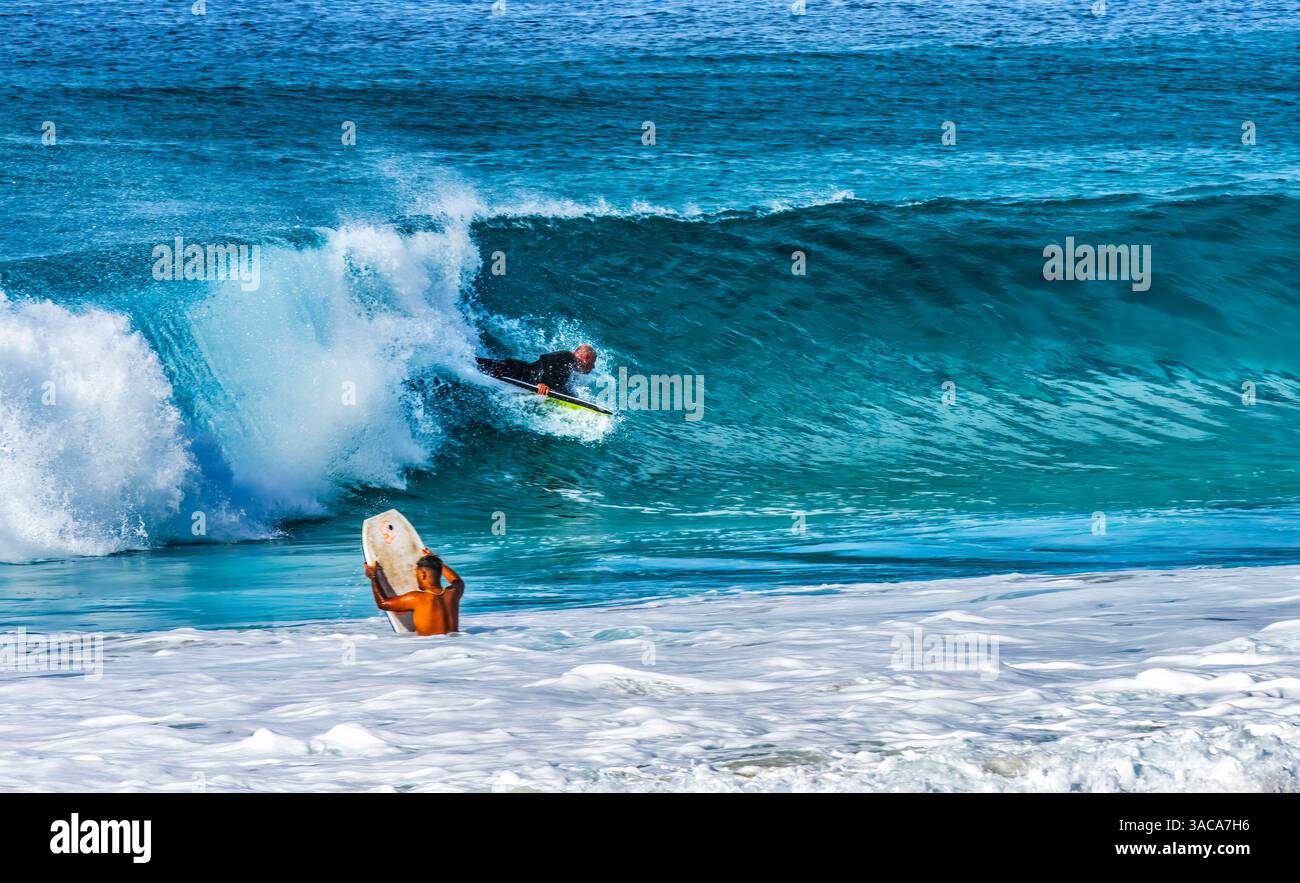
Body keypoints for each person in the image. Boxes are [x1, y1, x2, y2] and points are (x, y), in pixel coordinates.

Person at [364, 549, 464, 636]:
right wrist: (435, 562)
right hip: (454, 647)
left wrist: (373, 578)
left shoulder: (417, 598)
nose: (416, 579)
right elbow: (457, 580)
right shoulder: (454, 593)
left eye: (416, 574)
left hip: (430, 649)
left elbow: (383, 604)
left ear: (423, 574)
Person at [476, 344, 597, 396]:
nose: (594, 366)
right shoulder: (568, 356)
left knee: (473, 365)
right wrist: (544, 383)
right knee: (472, 363)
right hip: (512, 370)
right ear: (586, 358)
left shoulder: (568, 368)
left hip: (514, 372)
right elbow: (546, 358)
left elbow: (562, 388)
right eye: (593, 362)